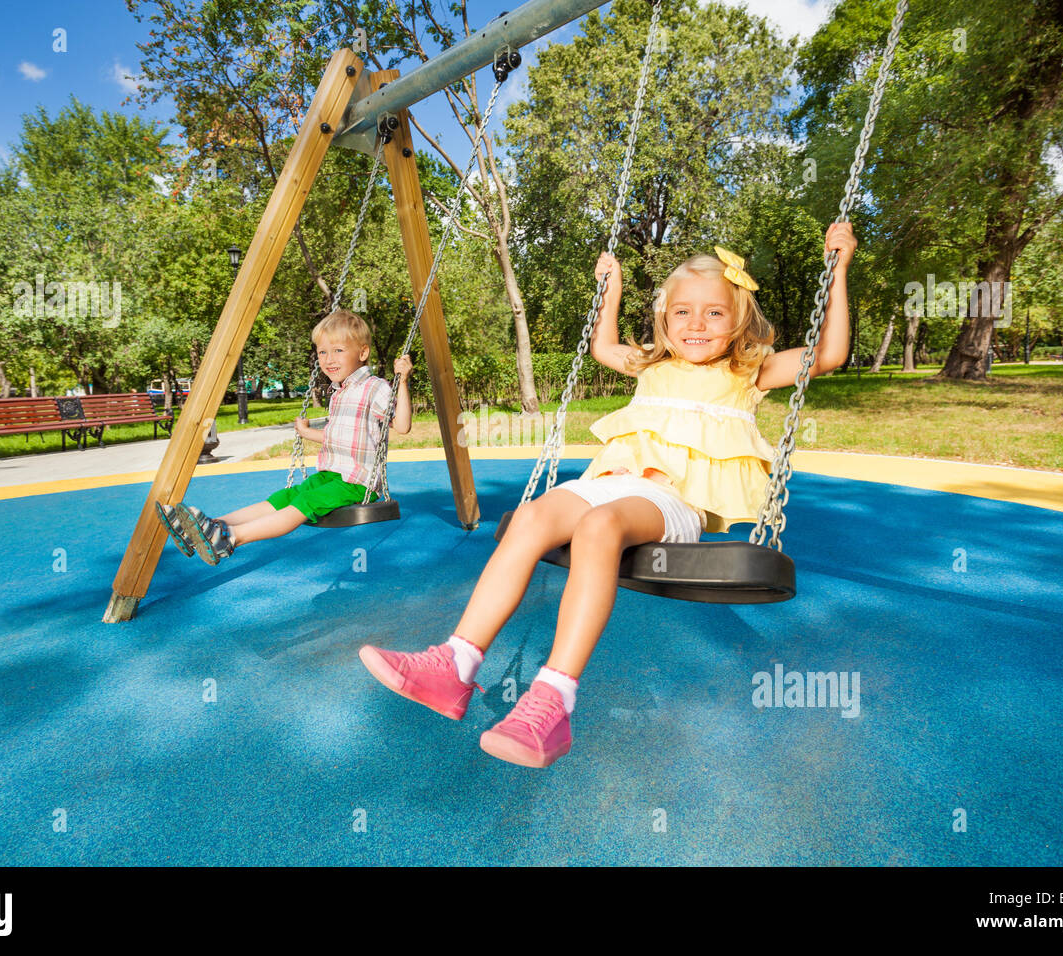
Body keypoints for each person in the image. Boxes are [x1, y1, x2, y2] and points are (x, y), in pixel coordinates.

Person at [358, 224, 857, 768]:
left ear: (738, 319)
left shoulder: (747, 371)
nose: (696, 324)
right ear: (665, 318)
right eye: (682, 311)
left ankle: (552, 700)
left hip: (670, 502)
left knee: (599, 528)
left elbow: (828, 353)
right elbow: (602, 346)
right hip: (610, 481)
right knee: (528, 518)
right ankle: (454, 665)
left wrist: (839, 269)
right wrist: (611, 287)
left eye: (714, 312)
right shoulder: (651, 363)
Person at [156, 309, 413, 564]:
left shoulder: (375, 387)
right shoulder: (339, 393)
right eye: (323, 352)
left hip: (356, 483)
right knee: (283, 498)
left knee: (303, 503)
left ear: (363, 353)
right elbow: (340, 437)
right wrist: (306, 433)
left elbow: (401, 426)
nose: (328, 359)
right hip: (330, 476)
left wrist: (401, 381)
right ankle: (207, 527)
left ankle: (230, 537)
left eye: (338, 350)